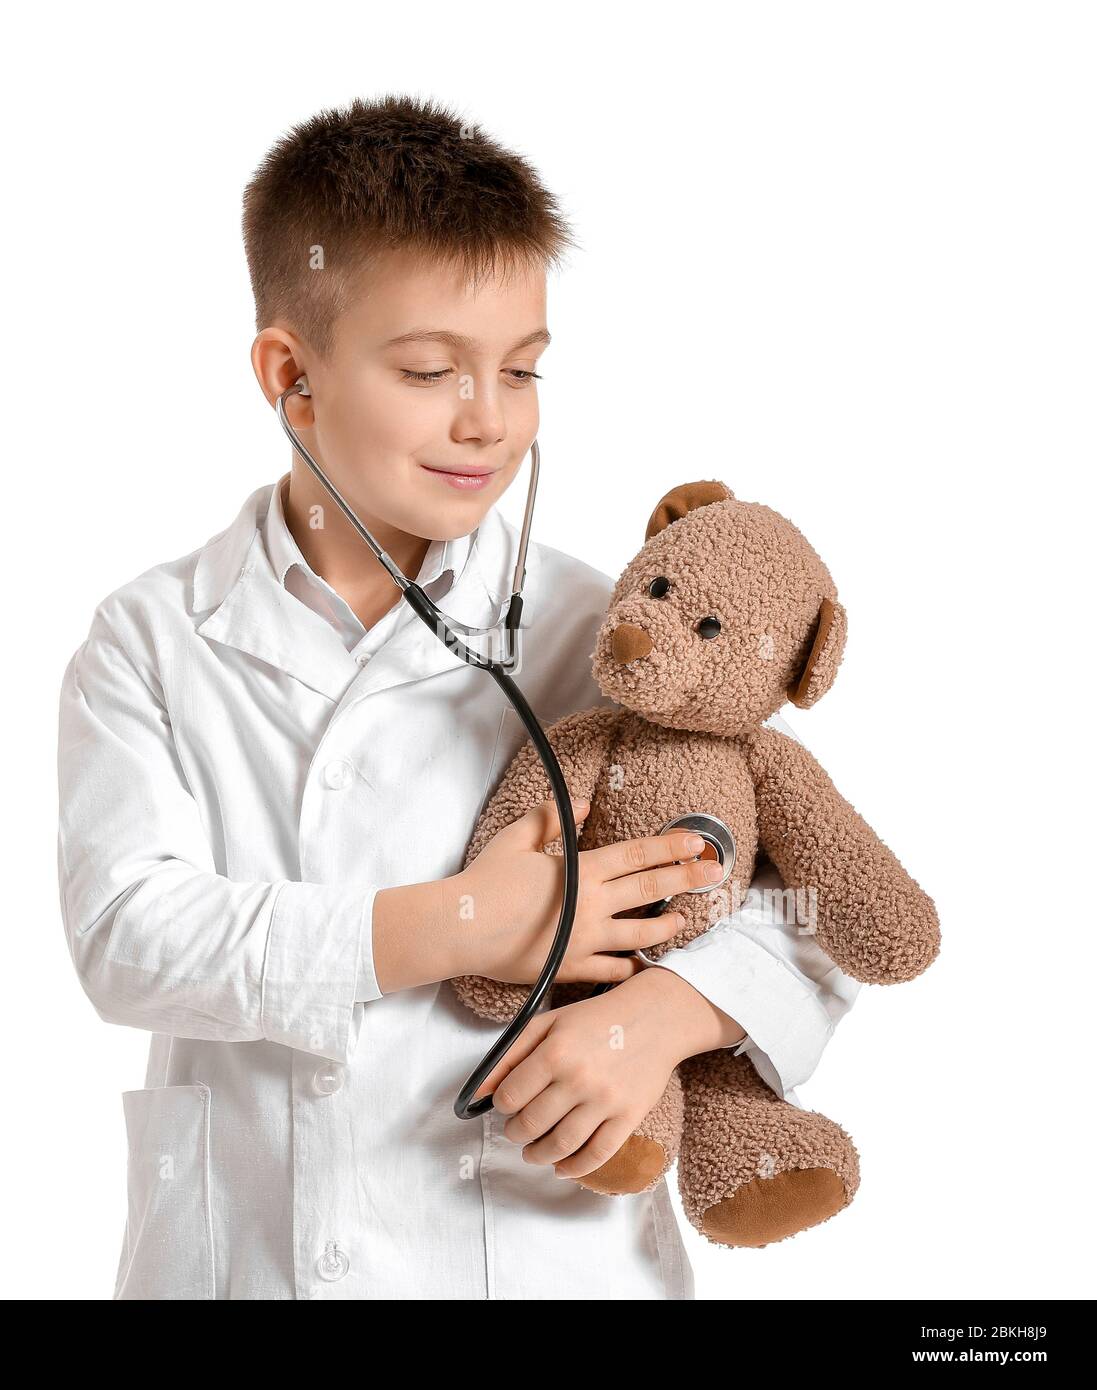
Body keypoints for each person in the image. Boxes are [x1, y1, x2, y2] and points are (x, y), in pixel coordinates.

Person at [56, 93, 859, 1300]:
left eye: (524, 369)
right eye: (432, 369)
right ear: (291, 374)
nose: (490, 419)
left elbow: (815, 897)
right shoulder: (154, 640)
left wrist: (663, 1020)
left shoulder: (616, 635)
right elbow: (128, 937)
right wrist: (468, 923)